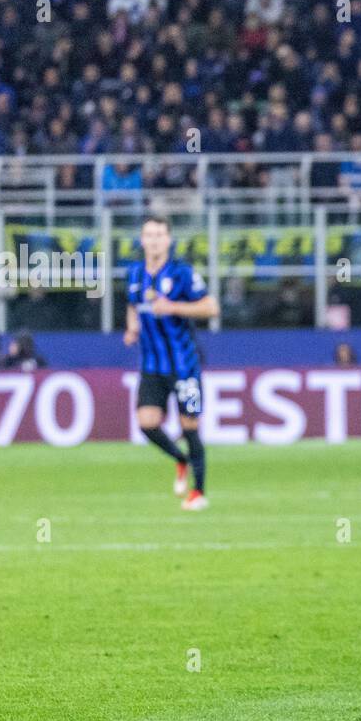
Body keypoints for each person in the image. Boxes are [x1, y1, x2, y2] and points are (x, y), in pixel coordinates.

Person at [124, 216, 219, 511]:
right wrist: (132, 328)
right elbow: (131, 304)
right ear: (141, 240)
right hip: (151, 366)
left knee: (190, 426)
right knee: (147, 423)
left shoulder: (182, 274)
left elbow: (211, 307)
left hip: (184, 365)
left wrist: (174, 307)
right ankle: (181, 459)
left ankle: (199, 492)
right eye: (149, 234)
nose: (154, 240)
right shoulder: (135, 274)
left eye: (159, 234)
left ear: (168, 240)